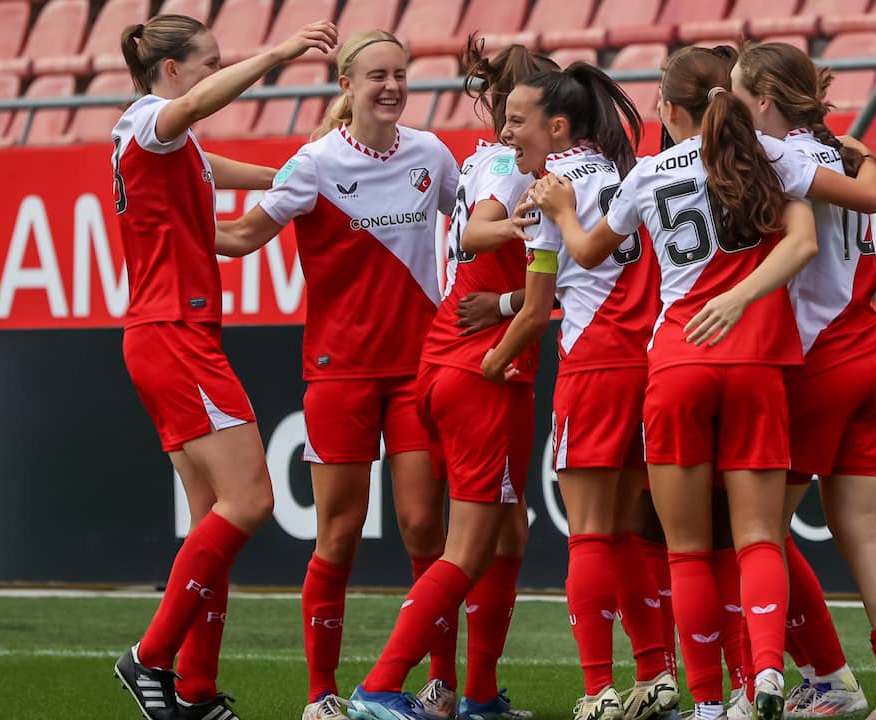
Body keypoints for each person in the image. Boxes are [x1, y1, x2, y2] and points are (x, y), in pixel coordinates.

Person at [532, 46, 820, 720]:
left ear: (667, 109)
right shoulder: (765, 154)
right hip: (755, 360)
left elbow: (587, 252)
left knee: (685, 552)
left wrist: (563, 210)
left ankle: (709, 706)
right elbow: (814, 229)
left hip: (678, 360)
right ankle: (766, 674)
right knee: (757, 538)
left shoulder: (647, 173)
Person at [213, 29, 462, 720]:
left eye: (400, 74)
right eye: (377, 75)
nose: (392, 86)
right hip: (339, 374)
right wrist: (163, 223)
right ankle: (320, 694)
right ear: (346, 85)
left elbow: (476, 224)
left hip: (417, 370)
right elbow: (240, 237)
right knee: (340, 535)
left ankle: (442, 685)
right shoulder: (314, 163)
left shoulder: (432, 154)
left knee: (424, 528)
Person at [110, 13, 336, 720]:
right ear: (171, 70)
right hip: (174, 335)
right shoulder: (150, 121)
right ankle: (149, 657)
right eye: (208, 62)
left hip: (165, 334)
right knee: (252, 501)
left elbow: (228, 197)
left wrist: (308, 172)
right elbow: (199, 107)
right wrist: (281, 51)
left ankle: (197, 689)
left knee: (213, 516)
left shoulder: (172, 146)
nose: (215, 72)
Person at [338, 39, 555, 720]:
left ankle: (481, 695)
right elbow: (477, 234)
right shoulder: (510, 166)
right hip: (482, 366)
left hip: (455, 356)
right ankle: (379, 686)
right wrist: (515, 231)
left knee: (509, 532)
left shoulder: (483, 157)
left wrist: (510, 295)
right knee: (468, 548)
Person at [734, 41, 876, 720]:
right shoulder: (837, 151)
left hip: (819, 360)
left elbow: (866, 198)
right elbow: (869, 190)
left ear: (764, 99)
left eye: (738, 94)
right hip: (873, 350)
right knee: (864, 533)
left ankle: (795, 679)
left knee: (755, 532)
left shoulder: (778, 153)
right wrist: (864, 152)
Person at [488, 63, 680, 720]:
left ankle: (598, 690)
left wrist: (492, 361)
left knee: (589, 536)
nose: (506, 132)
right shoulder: (625, 175)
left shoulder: (549, 193)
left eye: (517, 120)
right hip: (646, 365)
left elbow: (536, 308)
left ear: (558, 127)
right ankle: (655, 674)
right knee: (623, 533)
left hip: (593, 368)